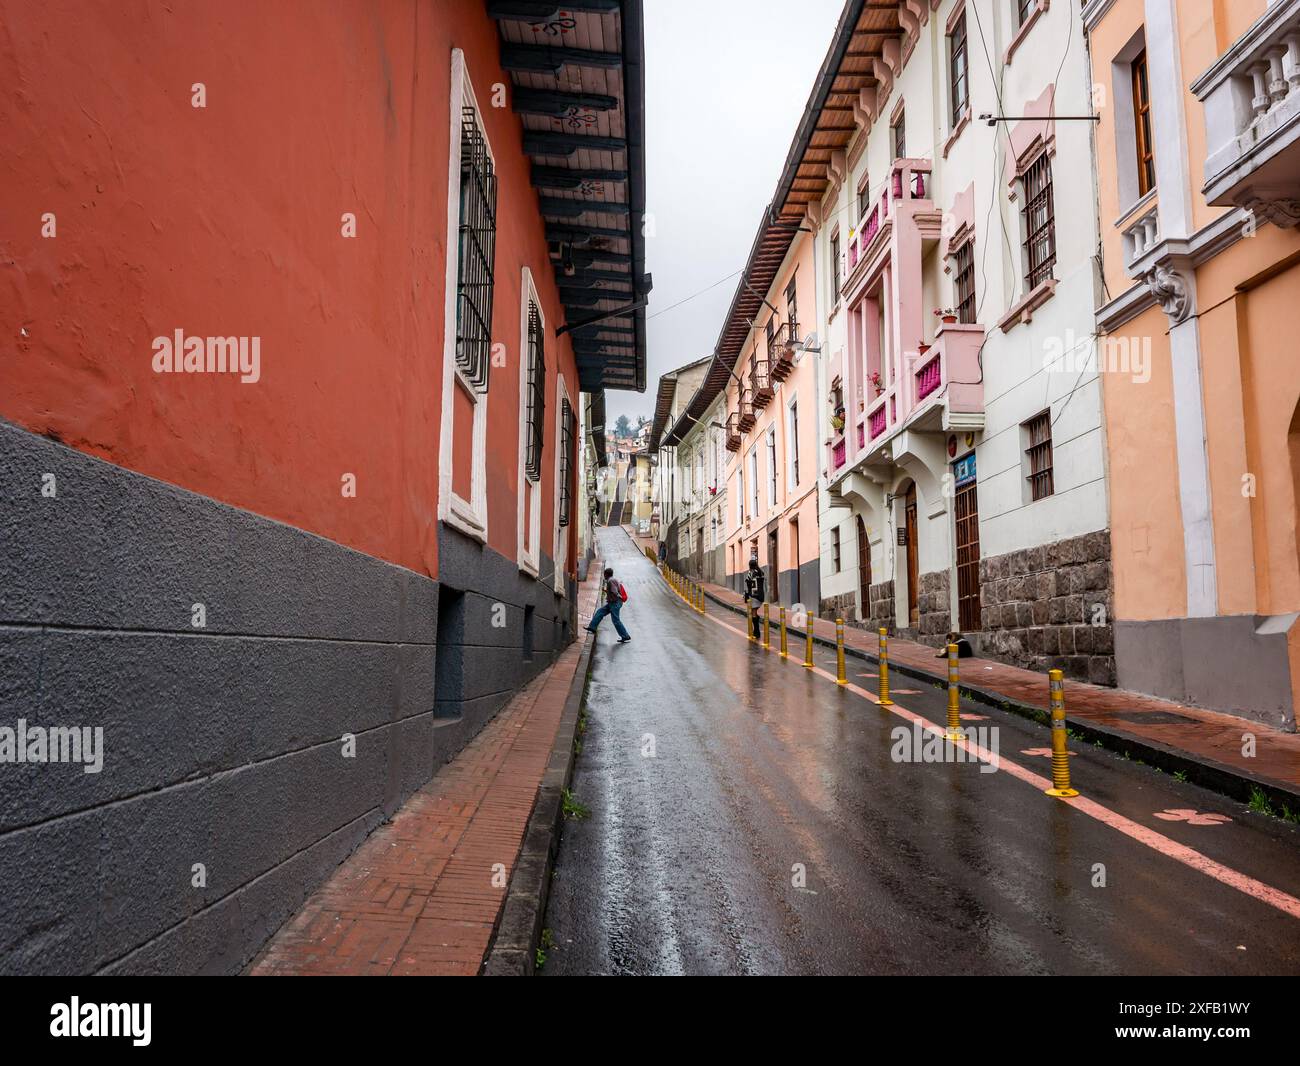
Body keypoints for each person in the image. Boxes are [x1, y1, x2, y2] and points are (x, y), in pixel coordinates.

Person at [587, 567, 631, 642]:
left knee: (616, 620)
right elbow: (613, 591)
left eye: (604, 574)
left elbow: (614, 591)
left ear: (606, 574)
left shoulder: (610, 581)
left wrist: (618, 597)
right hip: (612, 603)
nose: (604, 576)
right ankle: (592, 627)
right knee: (600, 612)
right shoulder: (612, 580)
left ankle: (625, 636)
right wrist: (607, 591)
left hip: (615, 603)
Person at [742, 557, 766, 641]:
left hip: (754, 595)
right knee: (754, 613)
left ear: (750, 566)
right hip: (760, 595)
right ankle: (756, 631)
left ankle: (756, 632)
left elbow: (749, 583)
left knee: (753, 613)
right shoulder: (760, 571)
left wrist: (747, 595)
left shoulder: (751, 573)